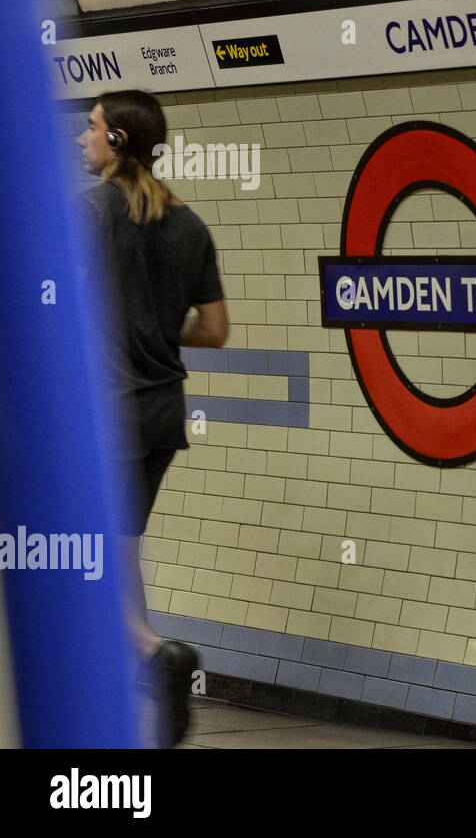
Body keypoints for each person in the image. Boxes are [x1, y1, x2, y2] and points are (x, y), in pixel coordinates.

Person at [78, 89, 228, 747]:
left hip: (104, 413)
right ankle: (152, 684)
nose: (83, 137)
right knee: (121, 550)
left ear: (115, 141)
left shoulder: (88, 213)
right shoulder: (190, 225)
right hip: (163, 412)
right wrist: (163, 330)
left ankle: (153, 651)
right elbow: (215, 329)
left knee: (79, 557)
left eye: (91, 127)